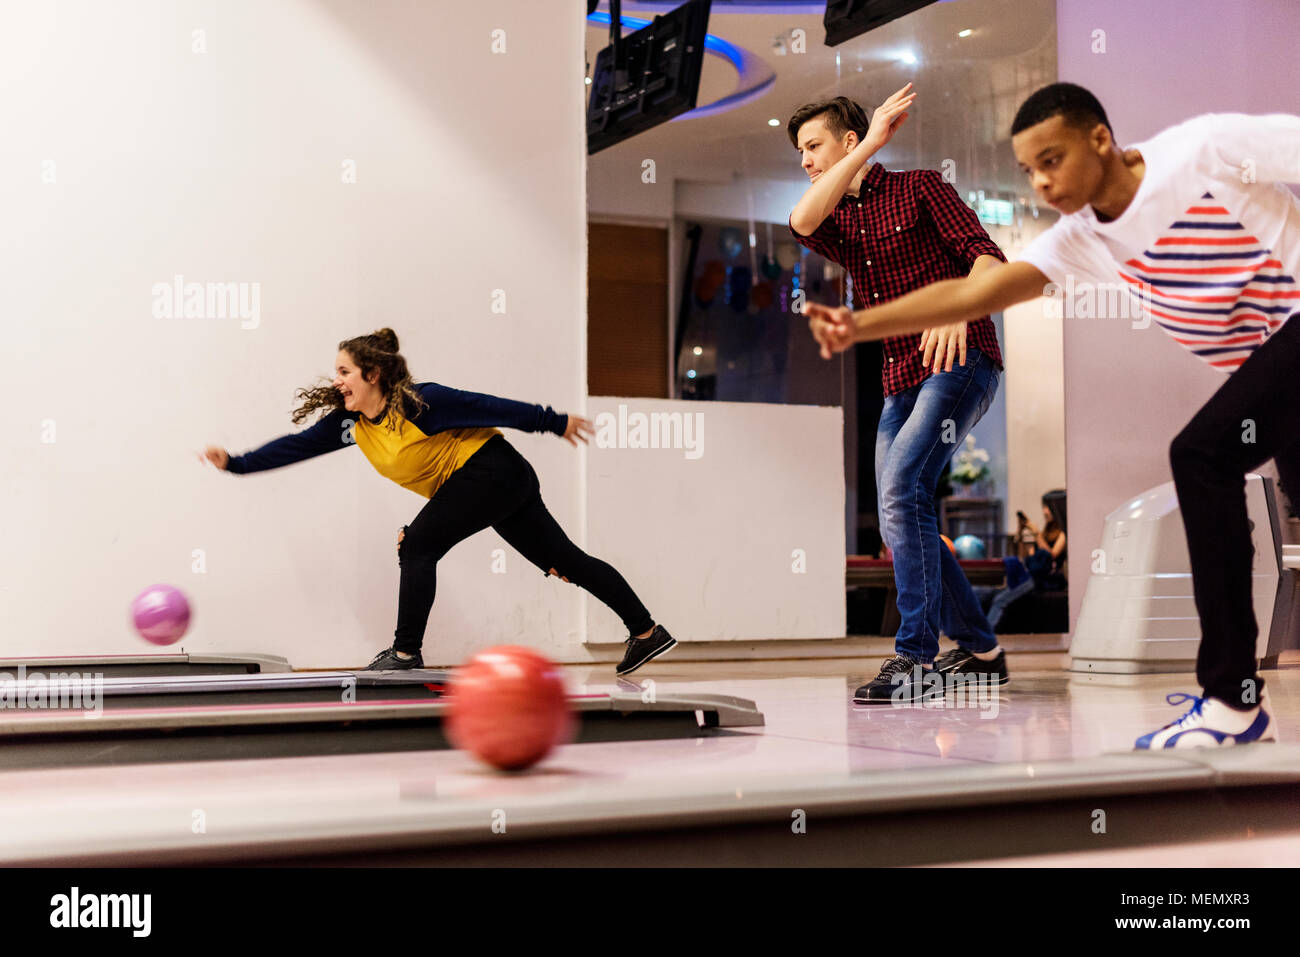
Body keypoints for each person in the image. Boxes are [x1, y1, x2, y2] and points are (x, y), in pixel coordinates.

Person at [804, 82, 1300, 747]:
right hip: (1280, 366)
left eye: (1052, 159)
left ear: (1101, 139)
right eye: (1028, 170)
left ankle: (1232, 700)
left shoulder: (1204, 148)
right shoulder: (1078, 240)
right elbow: (979, 287)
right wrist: (858, 325)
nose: (1041, 181)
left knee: (1201, 455)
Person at [199, 328, 676, 675]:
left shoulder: (417, 402)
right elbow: (294, 446)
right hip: (490, 484)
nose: (338, 379)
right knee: (563, 561)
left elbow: (486, 406)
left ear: (373, 374)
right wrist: (237, 463)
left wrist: (551, 420)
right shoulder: (352, 425)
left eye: (345, 371)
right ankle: (647, 632)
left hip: (493, 471)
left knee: (419, 545)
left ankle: (405, 654)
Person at [787, 83, 1011, 703]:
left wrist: (956, 310)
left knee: (901, 488)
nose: (805, 160)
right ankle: (982, 651)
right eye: (799, 152)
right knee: (899, 513)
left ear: (849, 140)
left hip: (960, 358)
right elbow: (801, 219)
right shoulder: (837, 217)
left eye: (815, 146)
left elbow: (989, 260)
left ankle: (915, 658)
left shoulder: (920, 188)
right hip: (899, 379)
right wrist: (861, 156)